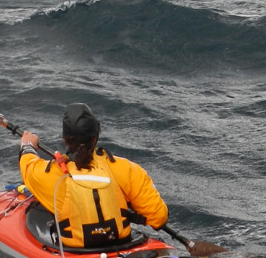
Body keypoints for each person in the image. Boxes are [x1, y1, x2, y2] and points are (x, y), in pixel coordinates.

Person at [18, 103, 168, 249]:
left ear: (64, 140)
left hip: (75, 252)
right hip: (122, 243)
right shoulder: (126, 169)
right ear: (95, 139)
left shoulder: (51, 173)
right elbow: (159, 217)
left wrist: (27, 145)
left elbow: (28, 165)